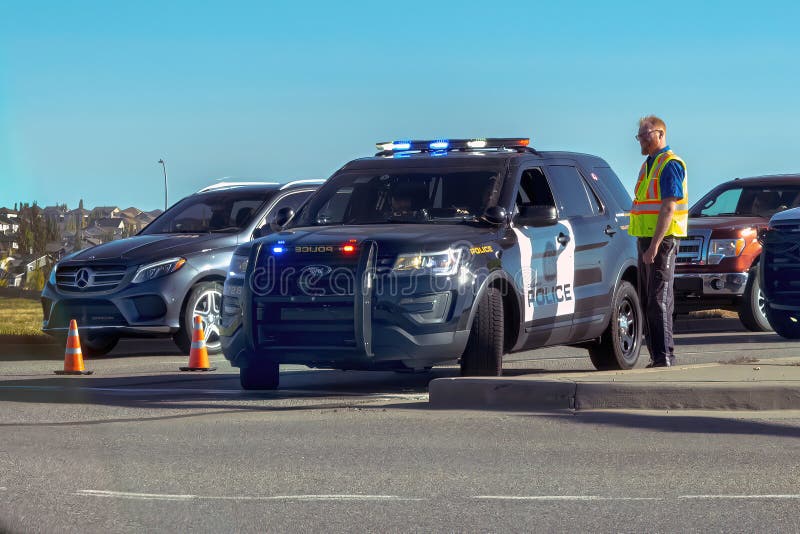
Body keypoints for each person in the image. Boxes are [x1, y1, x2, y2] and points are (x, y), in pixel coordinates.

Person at [629, 115, 688, 367]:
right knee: (648, 300)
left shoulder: (669, 164)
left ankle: (664, 357)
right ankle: (657, 356)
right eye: (639, 135)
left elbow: (668, 208)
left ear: (660, 134)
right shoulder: (648, 164)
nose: (641, 139)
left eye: (645, 134)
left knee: (658, 299)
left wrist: (654, 246)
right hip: (646, 240)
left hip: (662, 242)